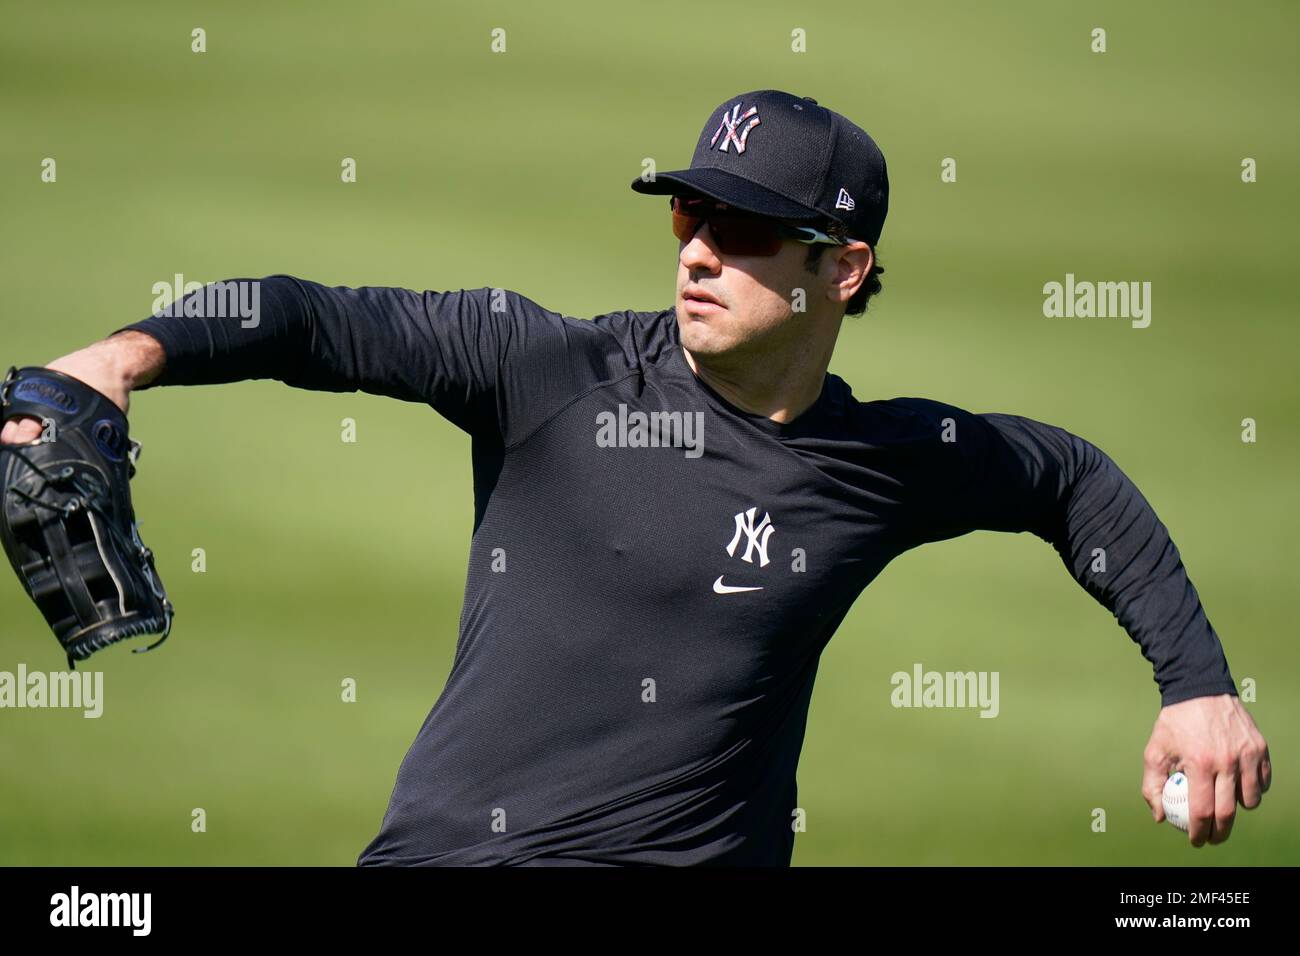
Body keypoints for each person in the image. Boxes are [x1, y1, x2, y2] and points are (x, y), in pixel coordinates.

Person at [0, 89, 1270, 865]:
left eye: (746, 230)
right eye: (686, 216)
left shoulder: (885, 464)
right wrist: (122, 356)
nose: (702, 251)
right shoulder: (543, 367)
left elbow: (1068, 477)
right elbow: (307, 318)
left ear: (842, 268)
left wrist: (1197, 686)